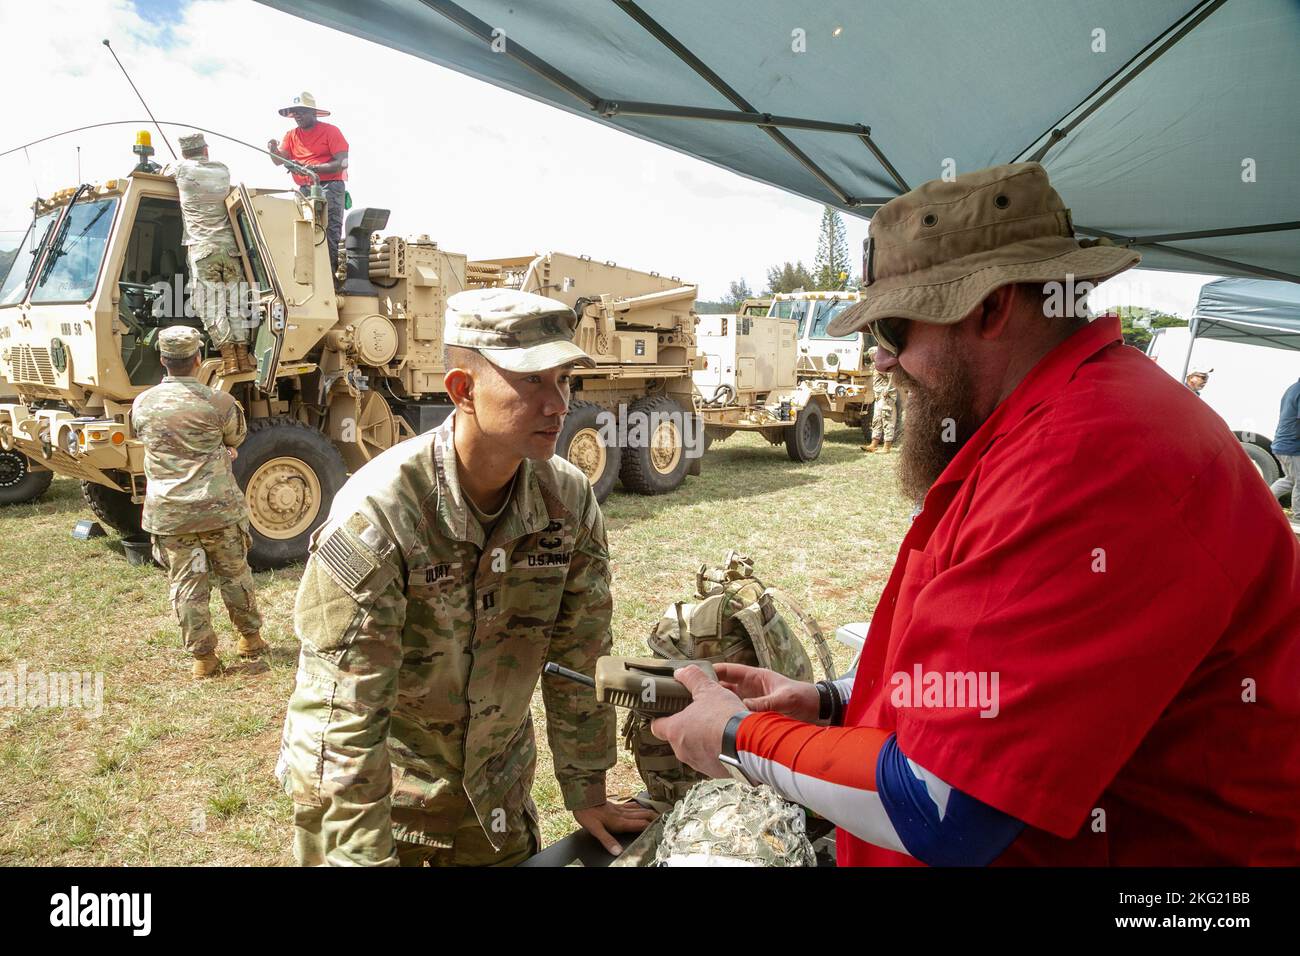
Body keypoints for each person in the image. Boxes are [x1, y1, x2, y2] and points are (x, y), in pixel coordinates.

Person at [650, 162, 1300, 866]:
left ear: (991, 309)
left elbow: (945, 807)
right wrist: (834, 701)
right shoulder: (1065, 418)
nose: (880, 361)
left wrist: (735, 737)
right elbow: (1016, 679)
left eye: (896, 330)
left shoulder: (1087, 456)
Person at [277, 288, 656, 866]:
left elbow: (580, 655)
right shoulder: (381, 514)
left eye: (564, 381)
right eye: (532, 381)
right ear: (463, 390)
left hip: (495, 801)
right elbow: (340, 716)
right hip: (386, 809)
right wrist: (357, 856)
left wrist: (587, 790)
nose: (558, 404)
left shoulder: (567, 498)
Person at [131, 326, 267, 679]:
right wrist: (222, 449)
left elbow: (144, 436)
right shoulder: (219, 402)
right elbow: (236, 436)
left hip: (170, 514)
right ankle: (250, 640)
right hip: (217, 509)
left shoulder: (144, 403)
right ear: (196, 360)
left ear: (162, 360)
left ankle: (204, 660)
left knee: (187, 586)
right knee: (235, 576)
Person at [164, 134, 256, 374]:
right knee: (235, 303)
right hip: (230, 249)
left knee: (212, 305)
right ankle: (243, 358)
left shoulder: (181, 168)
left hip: (203, 249)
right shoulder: (222, 169)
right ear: (206, 150)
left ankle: (229, 360)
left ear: (185, 153)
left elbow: (164, 169)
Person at [267, 92, 349, 279]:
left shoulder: (331, 131)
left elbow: (342, 162)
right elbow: (278, 160)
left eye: (301, 111)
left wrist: (313, 168)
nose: (297, 115)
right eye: (295, 112)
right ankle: (304, 278)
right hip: (304, 190)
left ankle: (328, 280)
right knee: (302, 232)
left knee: (327, 232)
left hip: (330, 187)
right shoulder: (291, 135)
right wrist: (273, 150)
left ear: (313, 113)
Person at [860, 345, 898, 453]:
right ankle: (874, 444)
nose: (872, 357)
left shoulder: (884, 365)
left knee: (887, 419)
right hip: (878, 397)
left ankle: (887, 447)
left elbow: (893, 378)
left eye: (873, 354)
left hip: (885, 396)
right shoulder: (875, 365)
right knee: (876, 420)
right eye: (871, 355)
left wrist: (888, 389)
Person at [1270, 376, 1300, 512]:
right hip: (1291, 446)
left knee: (1290, 480)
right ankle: (1298, 515)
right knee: (1299, 481)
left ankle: (1265, 502)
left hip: (1282, 444)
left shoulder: (1293, 388)